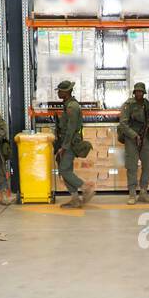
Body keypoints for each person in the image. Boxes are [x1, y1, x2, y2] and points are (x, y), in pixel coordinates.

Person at [118, 81, 149, 204]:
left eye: (141, 91)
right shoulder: (128, 105)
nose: (139, 93)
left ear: (144, 92)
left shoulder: (148, 105)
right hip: (131, 139)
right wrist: (134, 135)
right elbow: (123, 124)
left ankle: (143, 192)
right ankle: (132, 194)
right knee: (131, 166)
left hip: (145, 138)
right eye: (137, 91)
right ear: (134, 92)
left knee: (148, 164)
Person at [54, 80, 94, 208]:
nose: (59, 93)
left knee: (64, 170)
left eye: (60, 91)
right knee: (67, 170)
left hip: (70, 143)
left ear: (67, 92)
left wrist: (64, 147)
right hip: (66, 141)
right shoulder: (67, 105)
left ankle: (85, 187)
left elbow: (71, 129)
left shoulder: (72, 106)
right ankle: (75, 199)